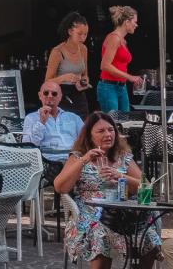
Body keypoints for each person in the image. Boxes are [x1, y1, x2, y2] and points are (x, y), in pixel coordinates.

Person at [57, 111, 159, 269]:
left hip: (122, 213)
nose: (108, 134)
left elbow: (145, 186)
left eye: (111, 130)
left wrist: (121, 177)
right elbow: (60, 186)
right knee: (100, 234)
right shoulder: (78, 157)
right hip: (89, 214)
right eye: (101, 131)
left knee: (149, 236)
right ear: (89, 136)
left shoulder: (123, 157)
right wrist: (85, 160)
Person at [23, 79, 85, 163]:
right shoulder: (31, 118)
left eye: (54, 94)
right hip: (48, 162)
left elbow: (86, 139)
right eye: (46, 93)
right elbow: (28, 147)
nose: (50, 96)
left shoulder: (73, 117)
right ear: (40, 95)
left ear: (60, 97)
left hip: (73, 159)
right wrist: (41, 123)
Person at [100, 4, 145, 114]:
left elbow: (119, 65)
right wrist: (130, 77)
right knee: (113, 122)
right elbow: (105, 65)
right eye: (134, 22)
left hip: (121, 86)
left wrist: (130, 78)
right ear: (127, 22)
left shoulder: (123, 41)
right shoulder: (114, 38)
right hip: (109, 86)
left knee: (125, 121)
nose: (136, 25)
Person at [48, 11, 94, 115]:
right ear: (70, 31)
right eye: (79, 34)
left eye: (85, 34)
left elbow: (85, 74)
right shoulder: (57, 52)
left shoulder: (83, 49)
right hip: (61, 95)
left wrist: (84, 82)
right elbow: (47, 82)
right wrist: (64, 78)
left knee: (83, 126)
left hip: (79, 94)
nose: (83, 38)